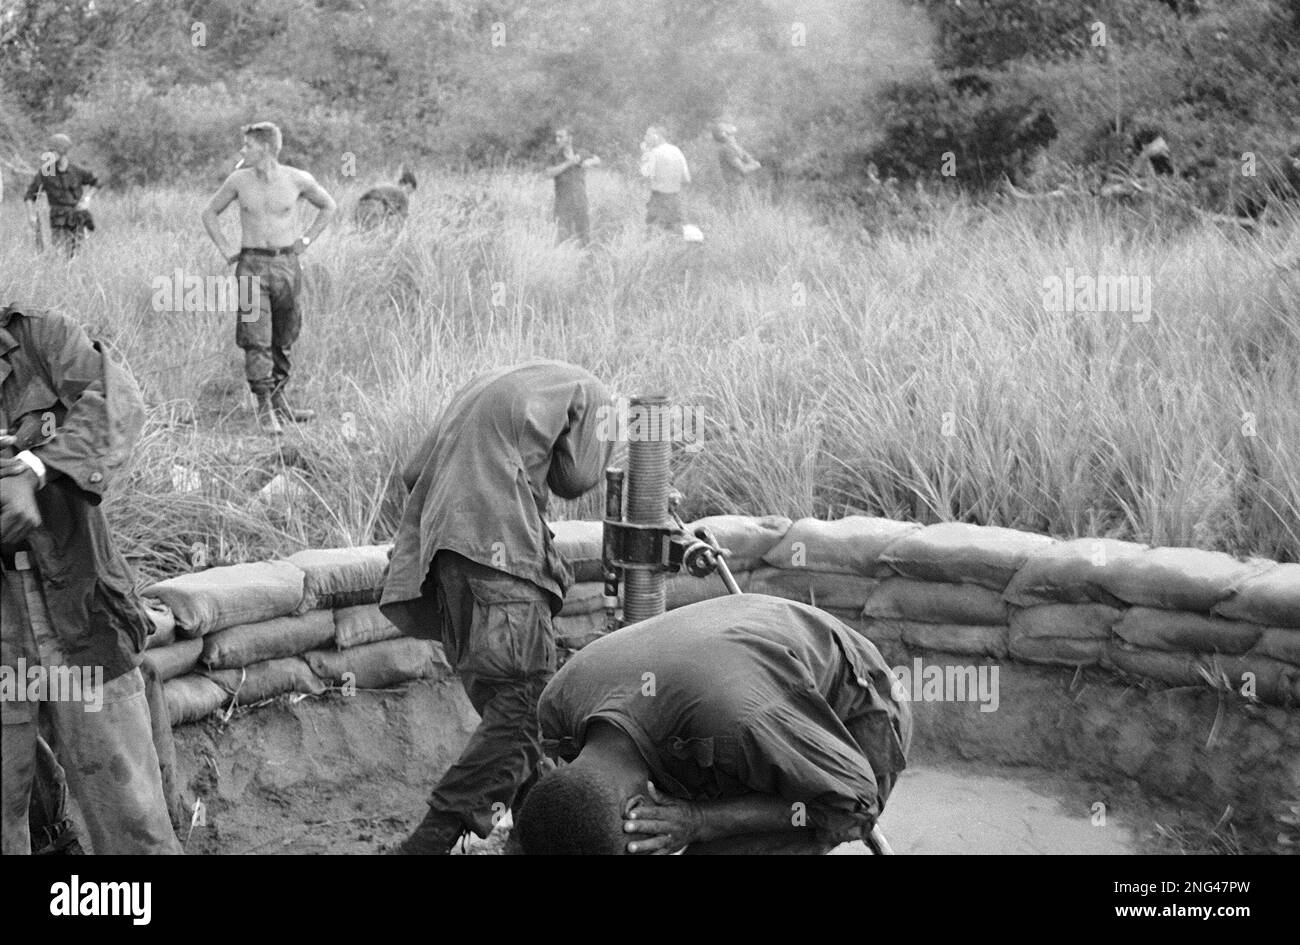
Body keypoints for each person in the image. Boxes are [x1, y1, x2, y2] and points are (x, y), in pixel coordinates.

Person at [380, 360, 613, 854]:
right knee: (526, 706)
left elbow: (413, 471)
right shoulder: (590, 391)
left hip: (446, 561)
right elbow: (577, 477)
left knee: (513, 720)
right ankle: (427, 843)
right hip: (499, 558)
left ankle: (537, 835)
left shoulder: (483, 386)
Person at [515, 594, 912, 855]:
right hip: (743, 685)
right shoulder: (558, 707)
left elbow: (855, 800)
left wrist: (701, 821)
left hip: (850, 708)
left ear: (637, 808)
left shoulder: (739, 724)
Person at [0, 301, 181, 855]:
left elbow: (116, 403)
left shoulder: (39, 338)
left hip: (75, 603)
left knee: (129, 811)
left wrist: (35, 468)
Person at [200, 122, 337, 434]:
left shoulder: (298, 179)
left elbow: (329, 206)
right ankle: (264, 408)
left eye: (247, 146)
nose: (242, 151)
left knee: (284, 336)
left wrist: (306, 241)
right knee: (255, 337)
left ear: (264, 148)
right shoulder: (238, 180)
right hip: (251, 266)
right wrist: (225, 248)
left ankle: (280, 401)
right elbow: (209, 213)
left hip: (287, 264)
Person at [24, 134, 98, 256]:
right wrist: (31, 215)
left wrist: (87, 199)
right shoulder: (46, 172)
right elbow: (29, 196)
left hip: (77, 217)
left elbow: (96, 183)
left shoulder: (77, 171)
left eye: (53, 151)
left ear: (62, 151)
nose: (49, 154)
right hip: (57, 218)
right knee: (60, 252)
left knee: (77, 254)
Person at [545, 128, 600, 244]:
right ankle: (566, 261)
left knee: (584, 236)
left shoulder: (581, 152)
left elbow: (597, 160)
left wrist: (590, 162)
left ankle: (585, 259)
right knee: (563, 238)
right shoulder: (554, 156)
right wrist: (569, 163)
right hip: (562, 204)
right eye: (556, 137)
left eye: (560, 137)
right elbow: (548, 173)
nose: (557, 140)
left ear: (569, 138)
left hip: (580, 201)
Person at [638, 126, 690, 232]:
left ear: (657, 136)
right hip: (676, 199)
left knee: (653, 233)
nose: (645, 138)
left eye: (648, 135)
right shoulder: (676, 151)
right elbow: (686, 178)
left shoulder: (653, 153)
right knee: (674, 234)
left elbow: (643, 175)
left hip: (658, 200)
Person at [712, 122, 761, 188]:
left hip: (739, 184)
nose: (734, 138)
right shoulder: (728, 149)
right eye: (731, 135)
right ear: (726, 136)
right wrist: (756, 165)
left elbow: (746, 157)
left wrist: (753, 162)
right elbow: (743, 169)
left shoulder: (733, 148)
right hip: (737, 186)